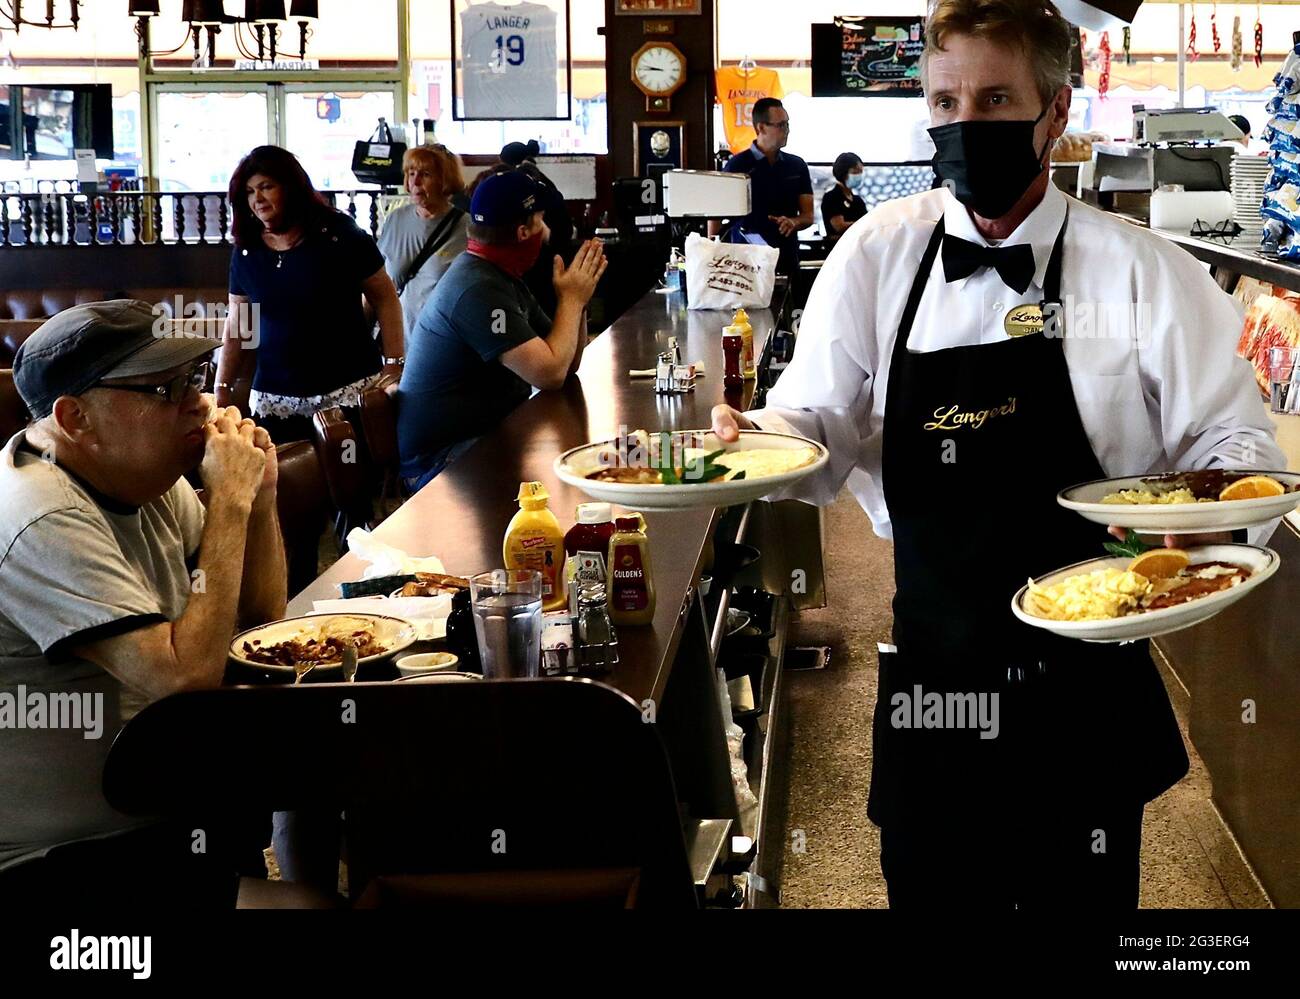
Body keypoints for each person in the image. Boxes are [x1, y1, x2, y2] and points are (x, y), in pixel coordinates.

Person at [711, 0, 1285, 909]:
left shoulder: (1140, 271)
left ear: (1055, 113)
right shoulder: (875, 257)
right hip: (937, 668)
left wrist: (1186, 538)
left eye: (995, 99)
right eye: (945, 102)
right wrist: (761, 442)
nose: (964, 124)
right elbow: (818, 427)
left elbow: (1235, 442)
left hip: (1089, 669)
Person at [0, 300, 284, 886]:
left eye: (197, 378)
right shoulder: (36, 515)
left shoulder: (142, 476)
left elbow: (255, 625)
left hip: (162, 815)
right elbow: (184, 677)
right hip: (70, 861)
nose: (199, 402)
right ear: (75, 417)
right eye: (166, 388)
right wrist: (229, 499)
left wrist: (260, 498)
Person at [396, 171, 607, 492]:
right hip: (442, 463)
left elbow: (565, 363)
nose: (546, 230)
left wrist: (577, 301)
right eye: (540, 221)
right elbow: (548, 373)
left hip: (482, 439)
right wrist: (572, 298)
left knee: (578, 469)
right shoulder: (477, 289)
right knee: (567, 486)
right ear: (523, 232)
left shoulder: (498, 276)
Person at [215, 145, 405, 444]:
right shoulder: (247, 250)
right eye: (250, 192)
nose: (258, 199)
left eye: (266, 187)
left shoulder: (339, 233)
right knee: (286, 484)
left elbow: (385, 296)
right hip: (276, 400)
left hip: (348, 390)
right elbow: (238, 325)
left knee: (352, 483)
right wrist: (222, 387)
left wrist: (395, 362)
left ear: (290, 188)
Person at [710, 98, 814, 276]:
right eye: (781, 125)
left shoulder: (796, 165)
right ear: (761, 127)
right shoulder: (737, 166)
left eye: (787, 124)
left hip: (785, 257)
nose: (787, 130)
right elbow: (715, 222)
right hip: (746, 263)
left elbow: (808, 216)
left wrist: (793, 222)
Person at [379, 143, 469, 340]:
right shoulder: (395, 220)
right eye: (411, 173)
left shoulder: (466, 228)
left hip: (443, 342)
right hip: (399, 342)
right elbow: (380, 283)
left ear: (444, 180)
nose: (415, 181)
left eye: (425, 174)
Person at [821, 152, 868, 244]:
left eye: (861, 172)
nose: (859, 175)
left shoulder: (858, 200)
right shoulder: (831, 197)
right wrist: (861, 224)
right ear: (843, 173)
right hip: (838, 247)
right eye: (855, 172)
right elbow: (839, 226)